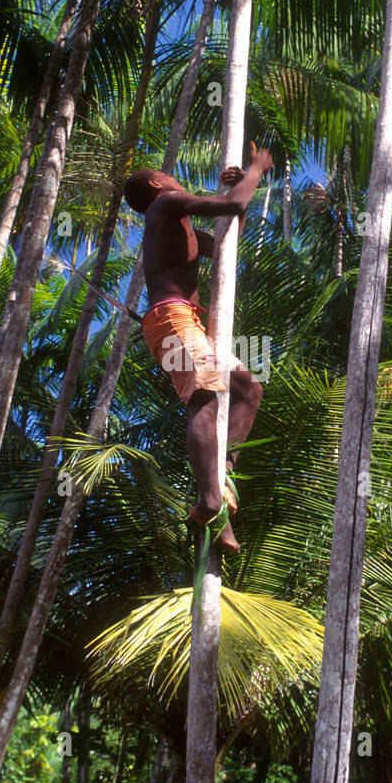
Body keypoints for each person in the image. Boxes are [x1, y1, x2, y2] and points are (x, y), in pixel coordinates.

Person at [123, 144, 274, 553]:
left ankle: (221, 475)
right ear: (157, 184)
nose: (175, 181)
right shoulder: (166, 203)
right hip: (171, 318)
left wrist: (232, 192)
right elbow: (238, 203)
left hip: (186, 321)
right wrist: (256, 171)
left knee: (246, 388)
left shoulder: (180, 222)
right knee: (204, 397)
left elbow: (230, 234)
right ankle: (209, 501)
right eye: (168, 176)